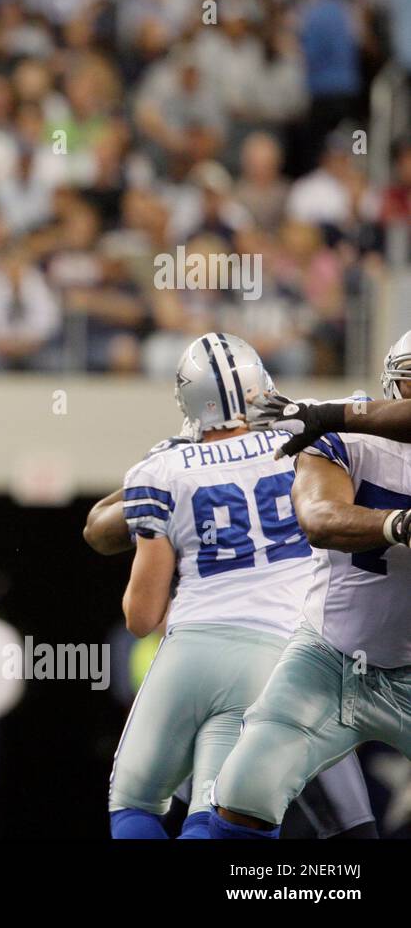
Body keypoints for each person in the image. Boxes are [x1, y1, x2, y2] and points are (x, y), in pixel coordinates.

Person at [107, 333, 357, 838]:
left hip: (193, 648)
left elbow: (142, 618)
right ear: (259, 385)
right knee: (216, 808)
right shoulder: (308, 439)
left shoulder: (159, 469)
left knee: (134, 800)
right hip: (279, 654)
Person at [206, 330, 411, 837]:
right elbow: (319, 518)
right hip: (330, 656)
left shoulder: (339, 416)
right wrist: (398, 525)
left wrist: (333, 411)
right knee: (243, 794)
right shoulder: (350, 433)